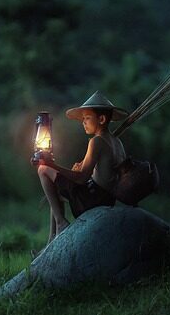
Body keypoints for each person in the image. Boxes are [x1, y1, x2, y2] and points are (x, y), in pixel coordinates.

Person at [37, 91, 128, 245]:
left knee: (42, 169)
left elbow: (81, 178)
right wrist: (79, 170)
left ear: (101, 119)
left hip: (92, 199)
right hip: (106, 198)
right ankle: (52, 239)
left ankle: (61, 223)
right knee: (56, 193)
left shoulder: (96, 141)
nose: (83, 122)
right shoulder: (117, 142)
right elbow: (101, 173)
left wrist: (51, 164)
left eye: (87, 118)